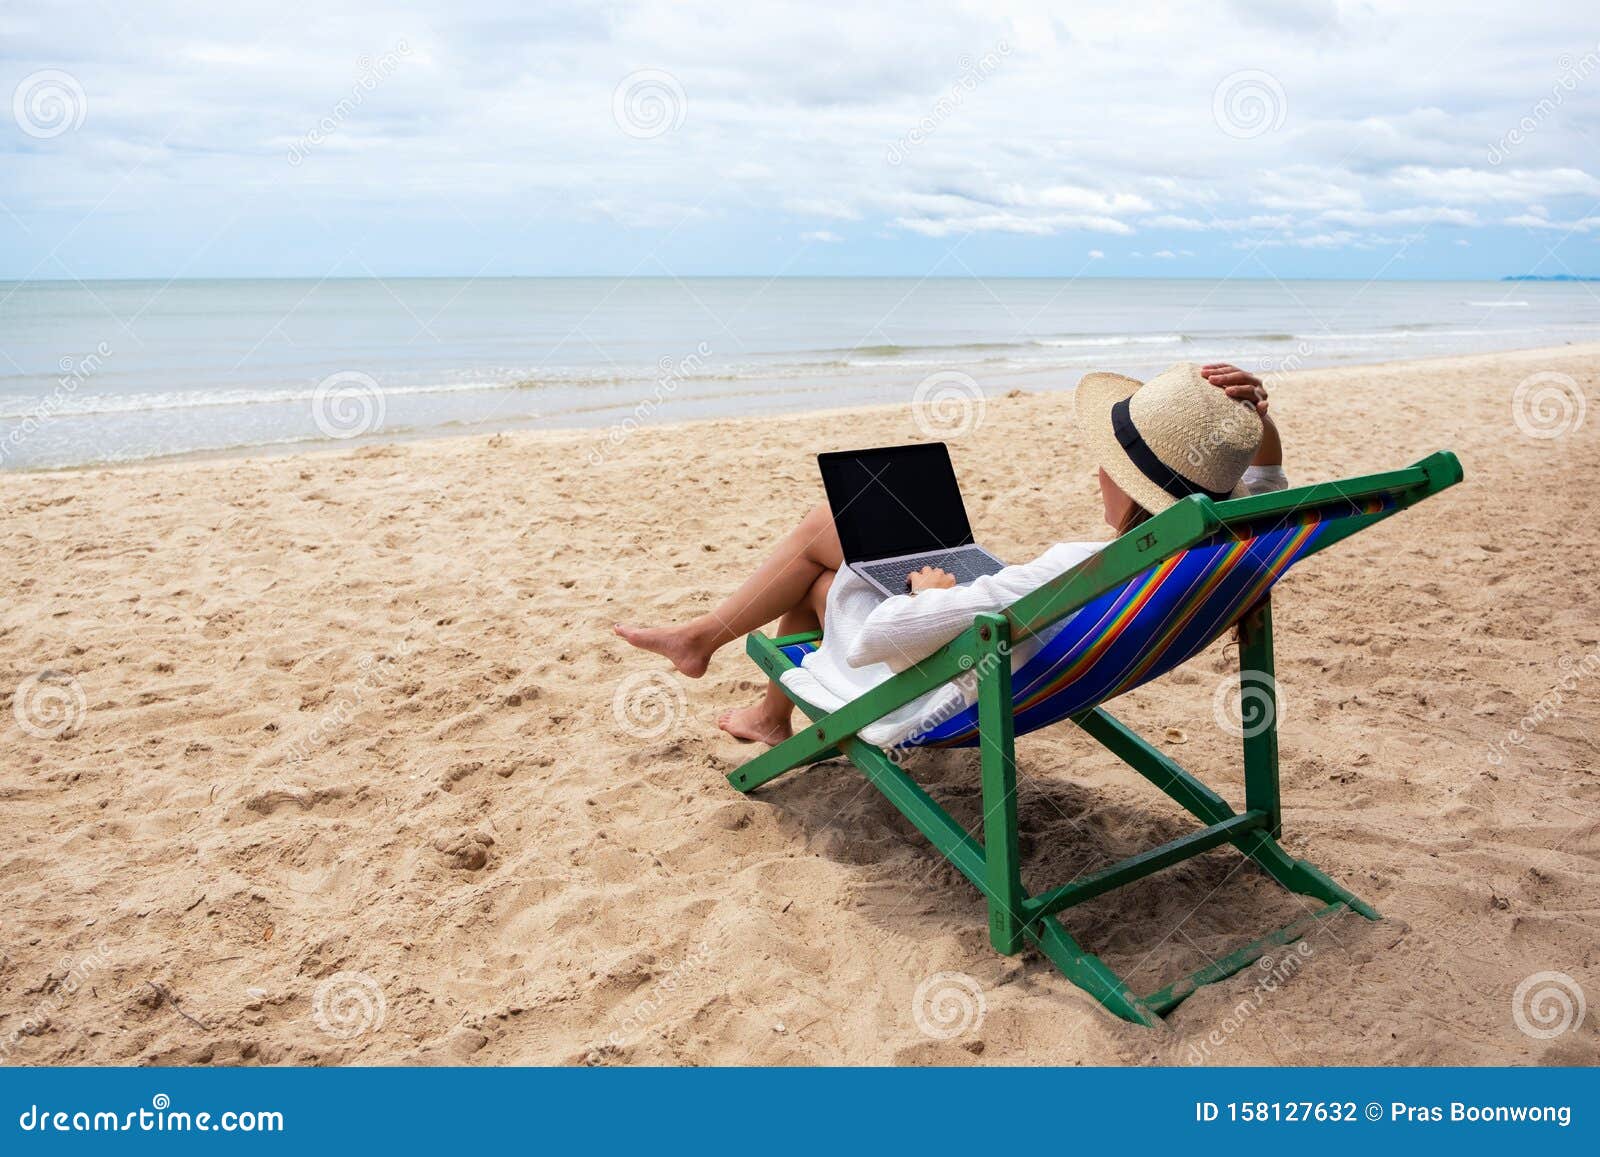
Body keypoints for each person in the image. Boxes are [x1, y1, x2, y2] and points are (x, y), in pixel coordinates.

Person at [616, 362, 1284, 746]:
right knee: (834, 538)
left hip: (947, 686)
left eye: (1107, 464)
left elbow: (879, 637)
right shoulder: (1226, 543)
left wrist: (932, 592)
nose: (1099, 474)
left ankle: (724, 662)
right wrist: (1253, 422)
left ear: (1128, 480)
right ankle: (747, 689)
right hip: (1031, 651)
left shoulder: (1079, 565)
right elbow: (1268, 488)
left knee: (825, 551)